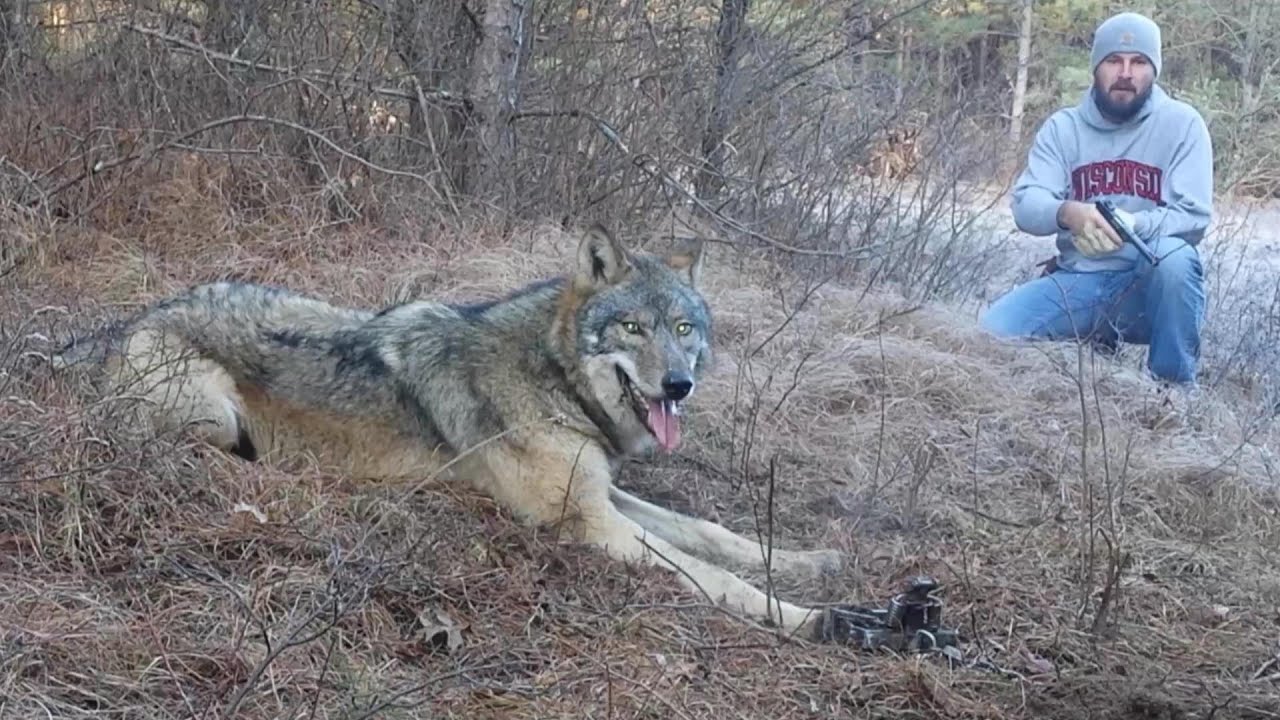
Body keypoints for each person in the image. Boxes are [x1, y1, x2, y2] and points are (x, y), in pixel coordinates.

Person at [980, 11, 1213, 397]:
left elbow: (1193, 217)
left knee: (1176, 259)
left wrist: (1132, 226)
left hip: (1146, 285)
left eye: (1138, 62)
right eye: (1113, 61)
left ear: (1153, 69)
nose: (1126, 73)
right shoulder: (1063, 128)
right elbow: (1026, 202)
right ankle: (1092, 349)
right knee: (991, 333)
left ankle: (1174, 393)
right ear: (1095, 67)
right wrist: (1069, 213)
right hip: (1078, 280)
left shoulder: (1182, 125)